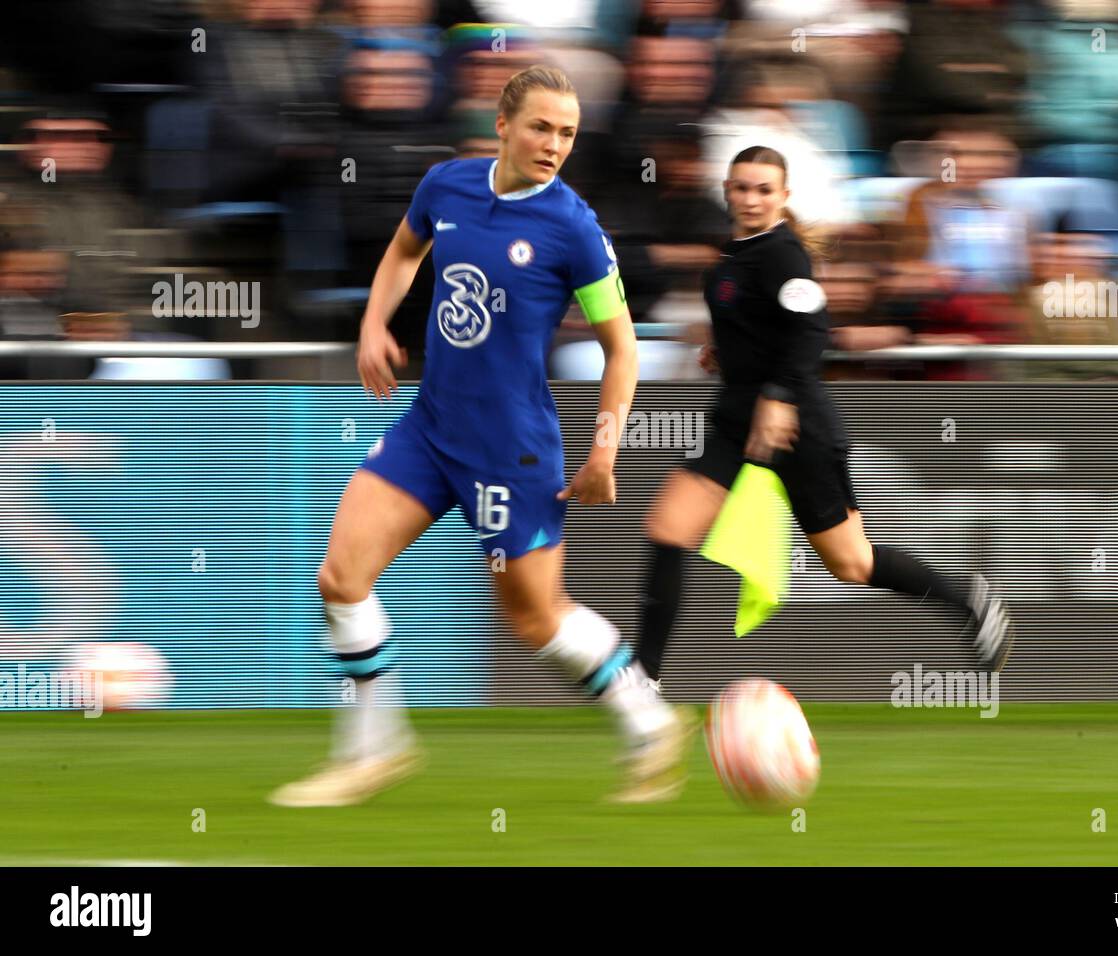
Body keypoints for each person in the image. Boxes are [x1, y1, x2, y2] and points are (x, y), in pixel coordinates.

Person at [270, 65, 687, 807]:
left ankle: (649, 721)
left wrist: (605, 447)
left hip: (513, 450)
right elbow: (405, 252)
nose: (554, 144)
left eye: (567, 133)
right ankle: (374, 751)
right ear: (502, 122)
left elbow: (621, 347)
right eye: (540, 127)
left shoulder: (574, 229)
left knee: (535, 620)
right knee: (340, 578)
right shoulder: (448, 187)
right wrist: (373, 325)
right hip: (431, 429)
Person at [626, 146, 1016, 800]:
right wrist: (721, 352)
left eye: (763, 189)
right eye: (742, 187)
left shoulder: (784, 254)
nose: (751, 198)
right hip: (735, 420)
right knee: (667, 528)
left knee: (852, 564)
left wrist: (777, 395)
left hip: (798, 426)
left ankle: (967, 600)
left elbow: (810, 333)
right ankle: (646, 687)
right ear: (728, 190)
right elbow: (762, 327)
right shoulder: (728, 260)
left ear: (782, 196)